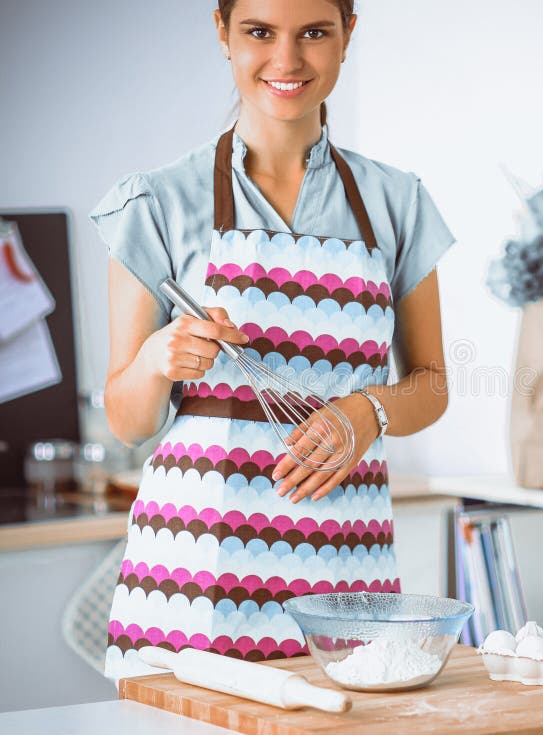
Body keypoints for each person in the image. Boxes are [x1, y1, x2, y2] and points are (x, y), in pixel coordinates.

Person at [89, 0, 454, 681]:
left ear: (348, 34)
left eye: (314, 33)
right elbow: (127, 419)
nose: (287, 61)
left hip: (344, 564)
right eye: (260, 32)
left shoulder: (396, 202)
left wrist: (367, 411)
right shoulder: (158, 202)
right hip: (198, 571)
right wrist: (155, 359)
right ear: (222, 33)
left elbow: (431, 384)